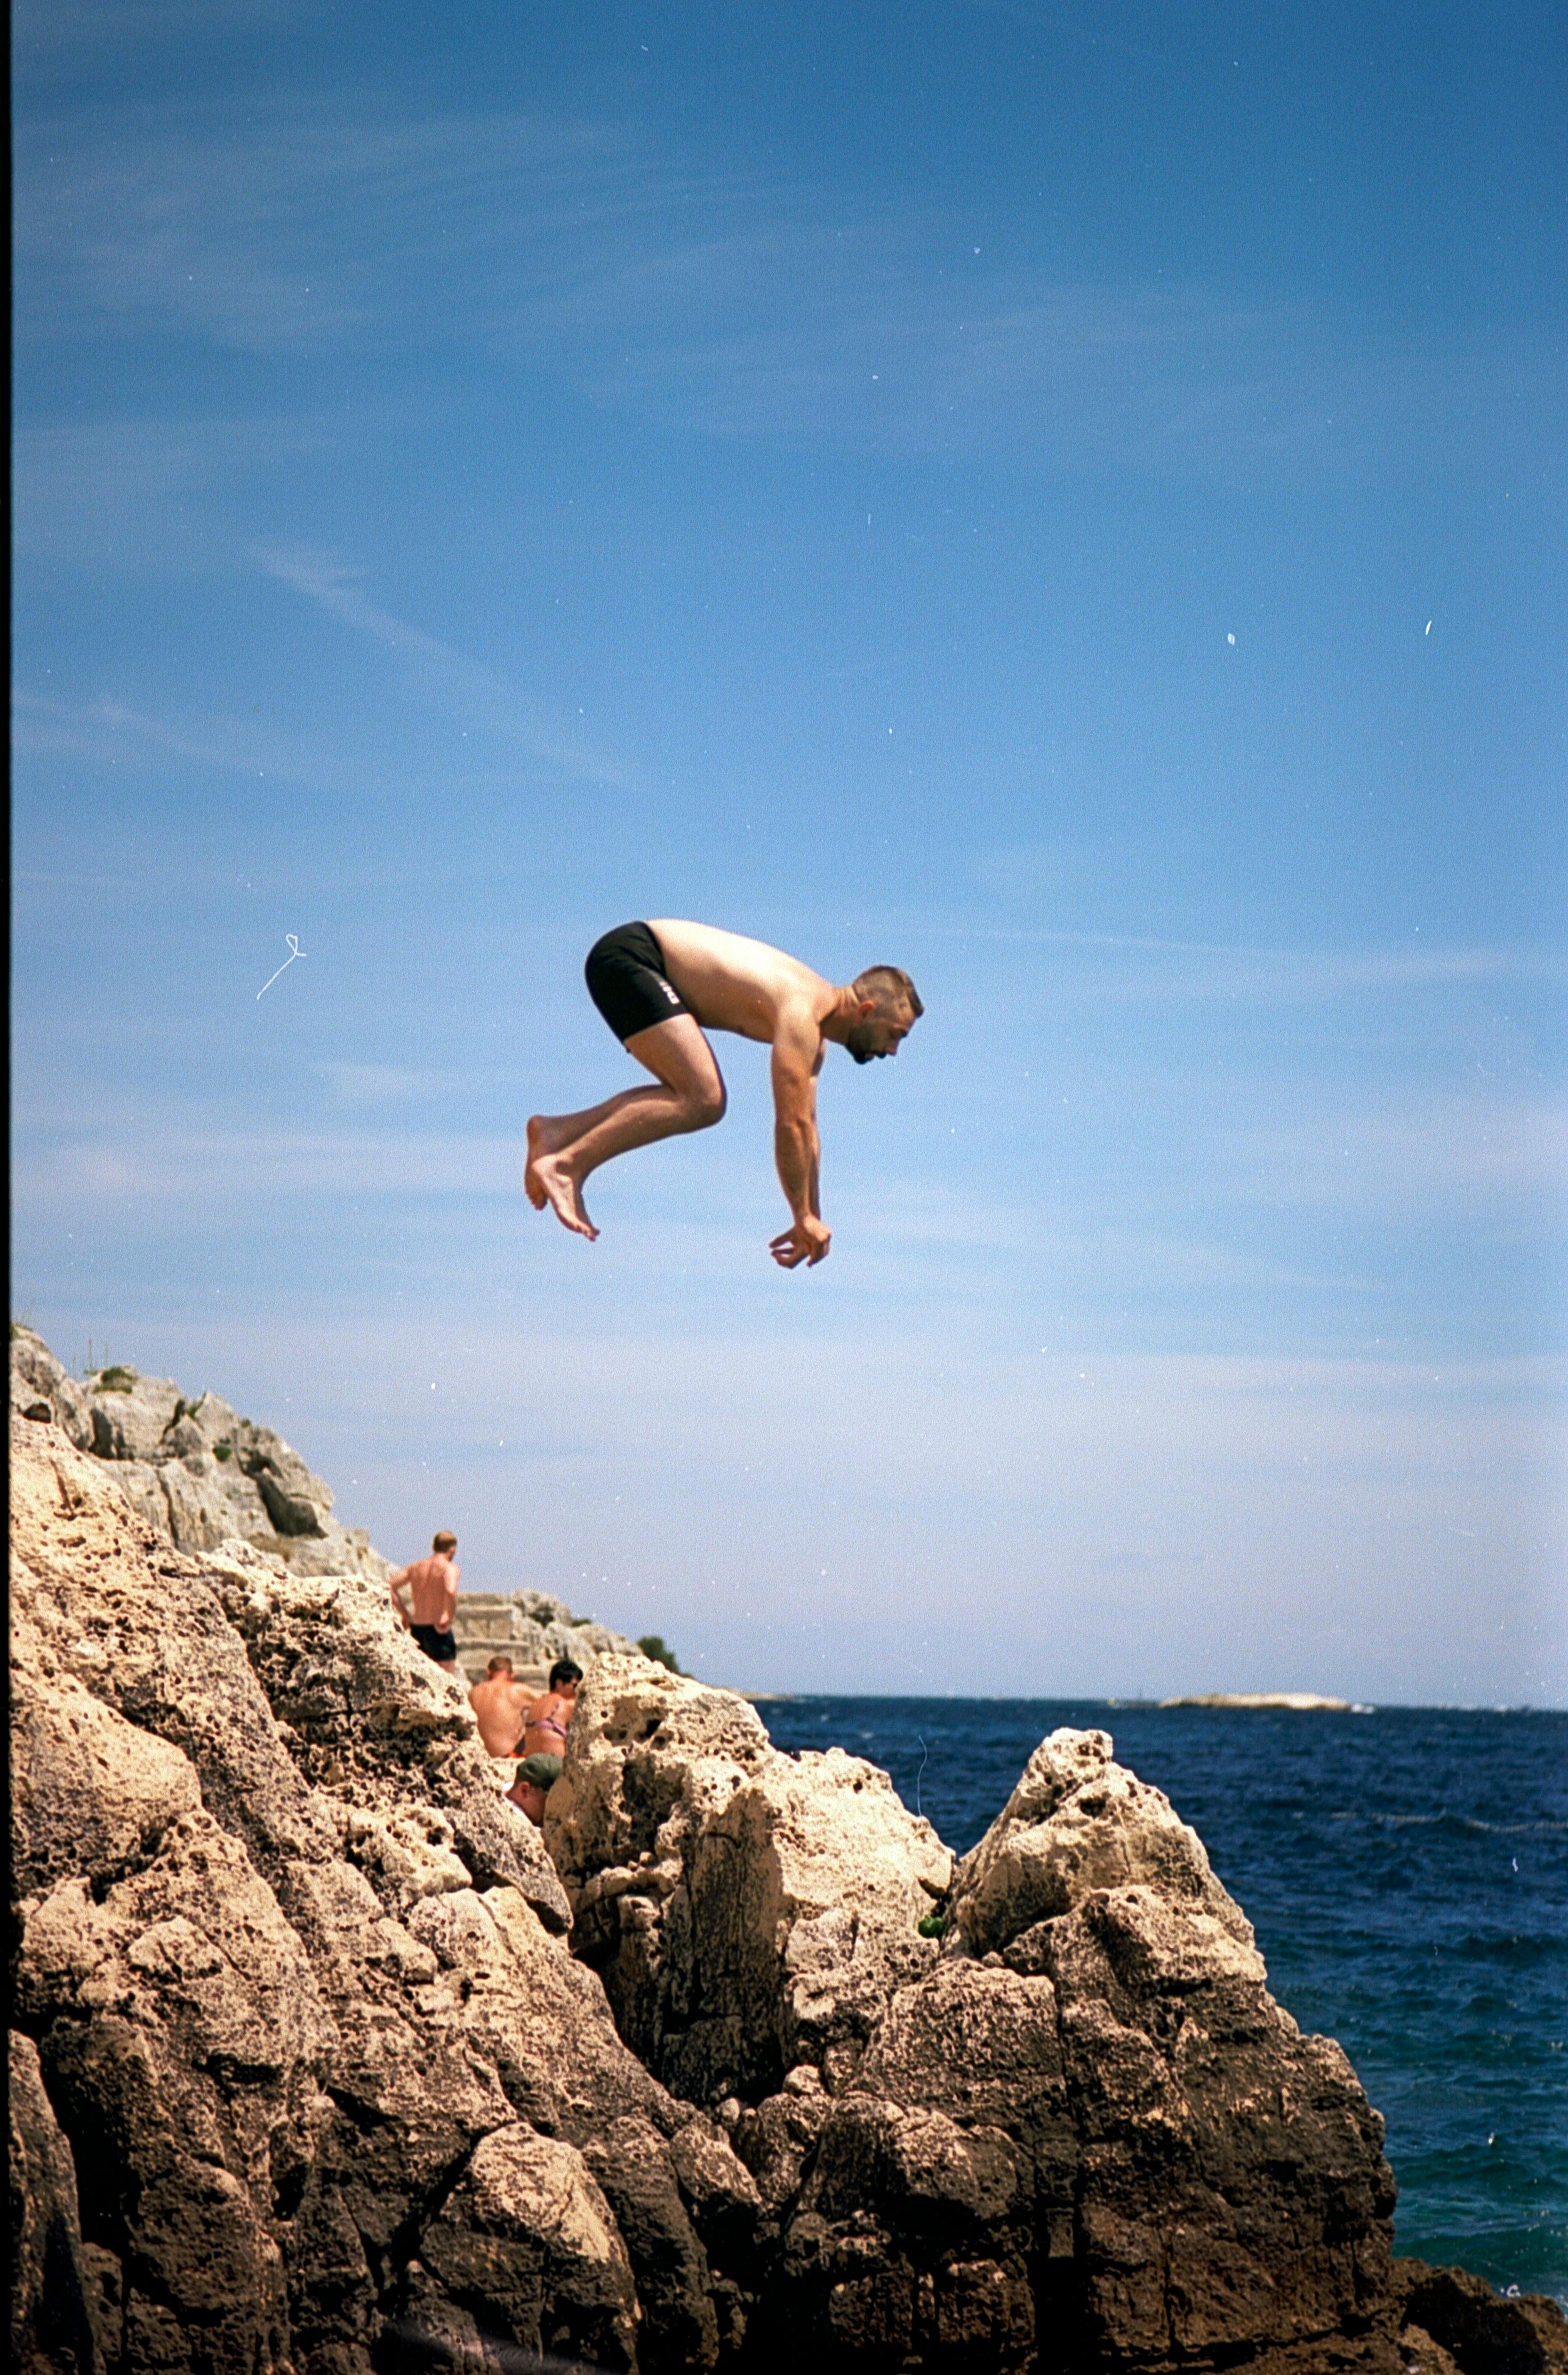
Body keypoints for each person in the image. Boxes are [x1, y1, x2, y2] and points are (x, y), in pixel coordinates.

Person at [525, 920, 923, 1268]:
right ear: (867, 1010)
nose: (892, 1051)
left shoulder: (814, 1034)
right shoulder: (803, 1014)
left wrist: (810, 1216)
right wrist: (802, 1214)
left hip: (634, 957)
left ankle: (556, 1135)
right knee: (704, 1099)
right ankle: (566, 1165)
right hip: (633, 958)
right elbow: (790, 1123)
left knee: (697, 1096)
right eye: (894, 1035)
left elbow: (808, 1130)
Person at [506, 1659, 582, 1825]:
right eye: (575, 1686)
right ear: (559, 1683)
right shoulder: (568, 1704)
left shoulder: (536, 1704)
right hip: (555, 1771)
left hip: (535, 1768)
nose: (578, 1692)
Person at [388, 1531, 461, 1675]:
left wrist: (405, 1614)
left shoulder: (416, 1567)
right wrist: (448, 1615)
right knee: (446, 1681)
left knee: (420, 1678)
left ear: (434, 1547)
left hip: (417, 1628)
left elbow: (388, 1586)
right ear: (452, 1548)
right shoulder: (449, 1568)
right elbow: (451, 1590)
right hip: (438, 1628)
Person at [469, 1654, 531, 1756]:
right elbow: (548, 1704)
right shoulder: (518, 1690)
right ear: (512, 1675)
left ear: (488, 1672)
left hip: (480, 1758)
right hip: (509, 1758)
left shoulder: (473, 1693)